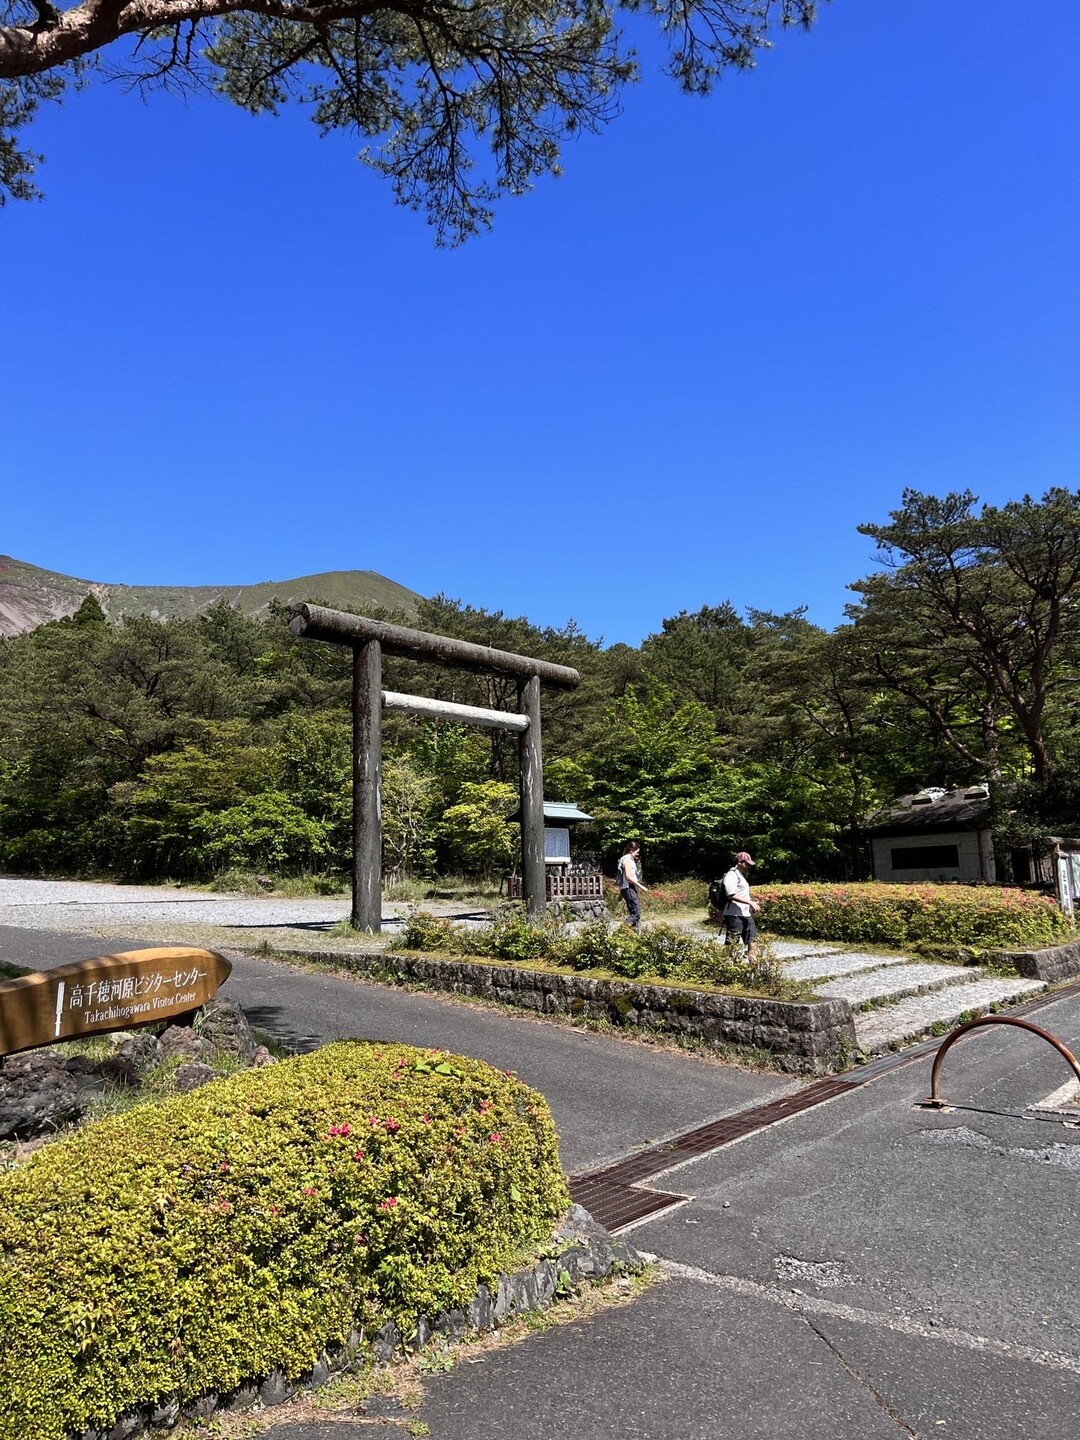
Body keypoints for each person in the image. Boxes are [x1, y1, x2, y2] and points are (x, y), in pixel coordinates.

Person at [721, 850, 760, 960]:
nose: (748, 866)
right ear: (739, 862)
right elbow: (731, 894)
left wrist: (751, 902)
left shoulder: (741, 876)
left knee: (753, 941)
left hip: (746, 914)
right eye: (746, 863)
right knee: (732, 945)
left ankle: (754, 969)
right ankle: (726, 967)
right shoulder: (731, 875)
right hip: (734, 915)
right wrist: (750, 902)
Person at [616, 841, 649, 930]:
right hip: (629, 888)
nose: (637, 854)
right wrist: (641, 886)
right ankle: (622, 929)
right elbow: (628, 877)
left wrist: (621, 895)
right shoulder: (628, 860)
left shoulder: (623, 859)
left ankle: (633, 935)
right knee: (636, 914)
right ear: (631, 850)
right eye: (637, 852)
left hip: (626, 889)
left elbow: (622, 879)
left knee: (633, 913)